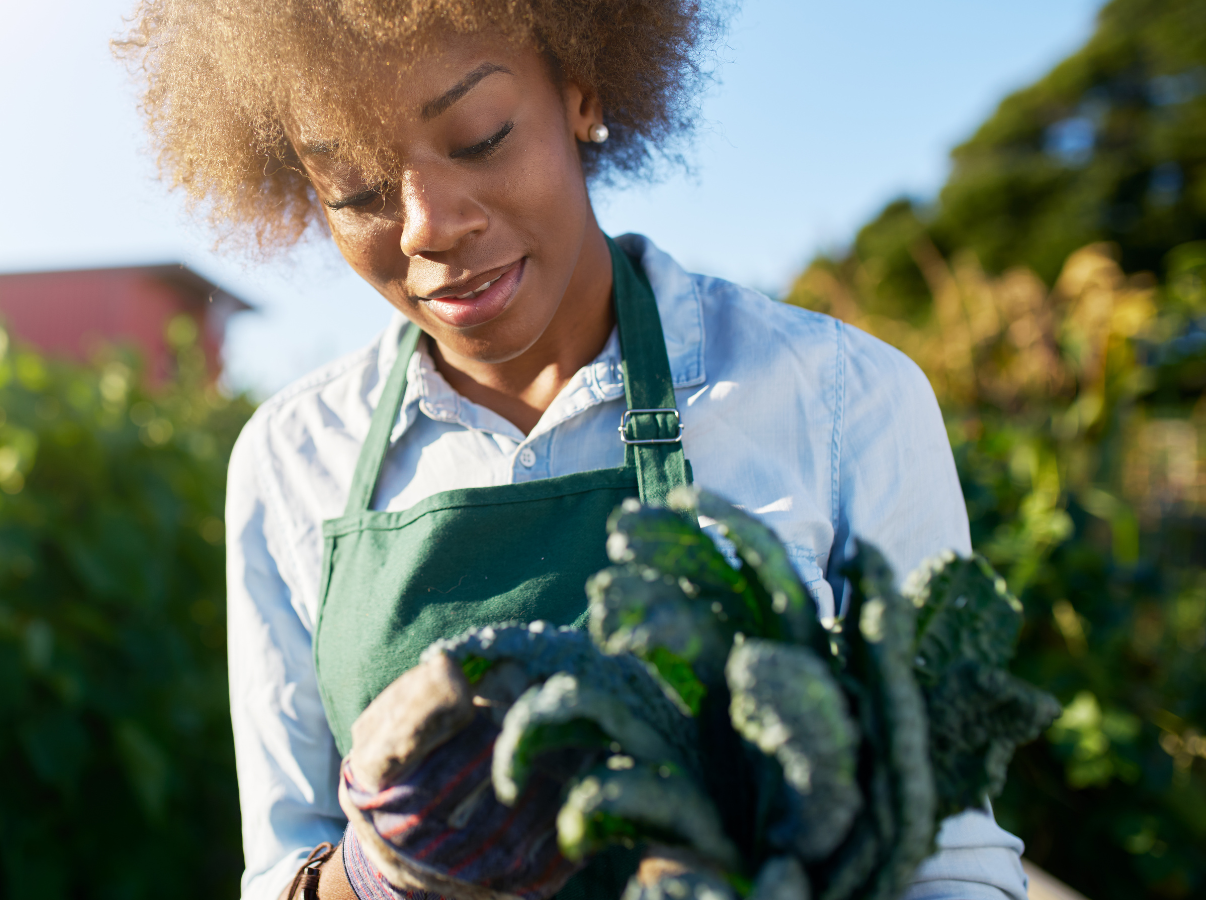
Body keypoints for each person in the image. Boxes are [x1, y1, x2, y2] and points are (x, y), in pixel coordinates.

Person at [121, 2, 1032, 899]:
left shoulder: (840, 399)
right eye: (354, 190)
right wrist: (374, 870)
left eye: (479, 137)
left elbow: (952, 861)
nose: (427, 225)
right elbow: (283, 865)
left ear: (583, 93)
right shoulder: (289, 457)